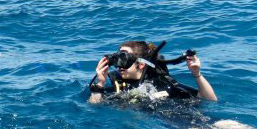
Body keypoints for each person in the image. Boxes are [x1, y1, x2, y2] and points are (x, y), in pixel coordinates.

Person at [88, 41, 217, 104]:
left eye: (125, 60)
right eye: (118, 59)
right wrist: (100, 83)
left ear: (141, 63)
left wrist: (196, 74)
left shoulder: (162, 82)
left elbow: (210, 100)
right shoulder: (117, 85)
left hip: (180, 117)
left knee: (224, 125)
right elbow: (94, 107)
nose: (119, 66)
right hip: (167, 125)